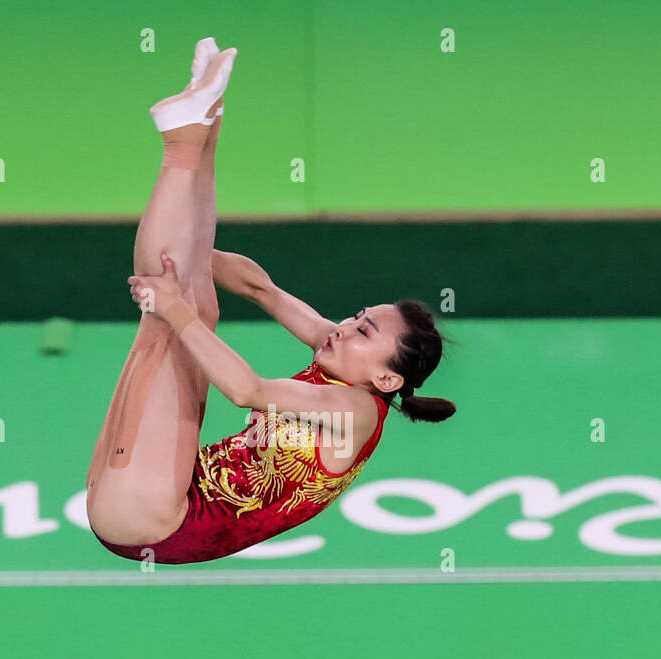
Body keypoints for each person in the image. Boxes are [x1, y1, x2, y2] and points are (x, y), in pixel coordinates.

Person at [86, 38, 455, 564]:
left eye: (364, 332)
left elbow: (246, 389)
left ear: (389, 380)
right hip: (156, 487)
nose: (345, 327)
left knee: (176, 311)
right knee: (188, 291)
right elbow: (261, 288)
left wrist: (172, 298)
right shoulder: (342, 357)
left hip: (152, 520)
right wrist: (187, 250)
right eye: (357, 317)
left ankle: (183, 143)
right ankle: (207, 120)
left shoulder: (353, 409)